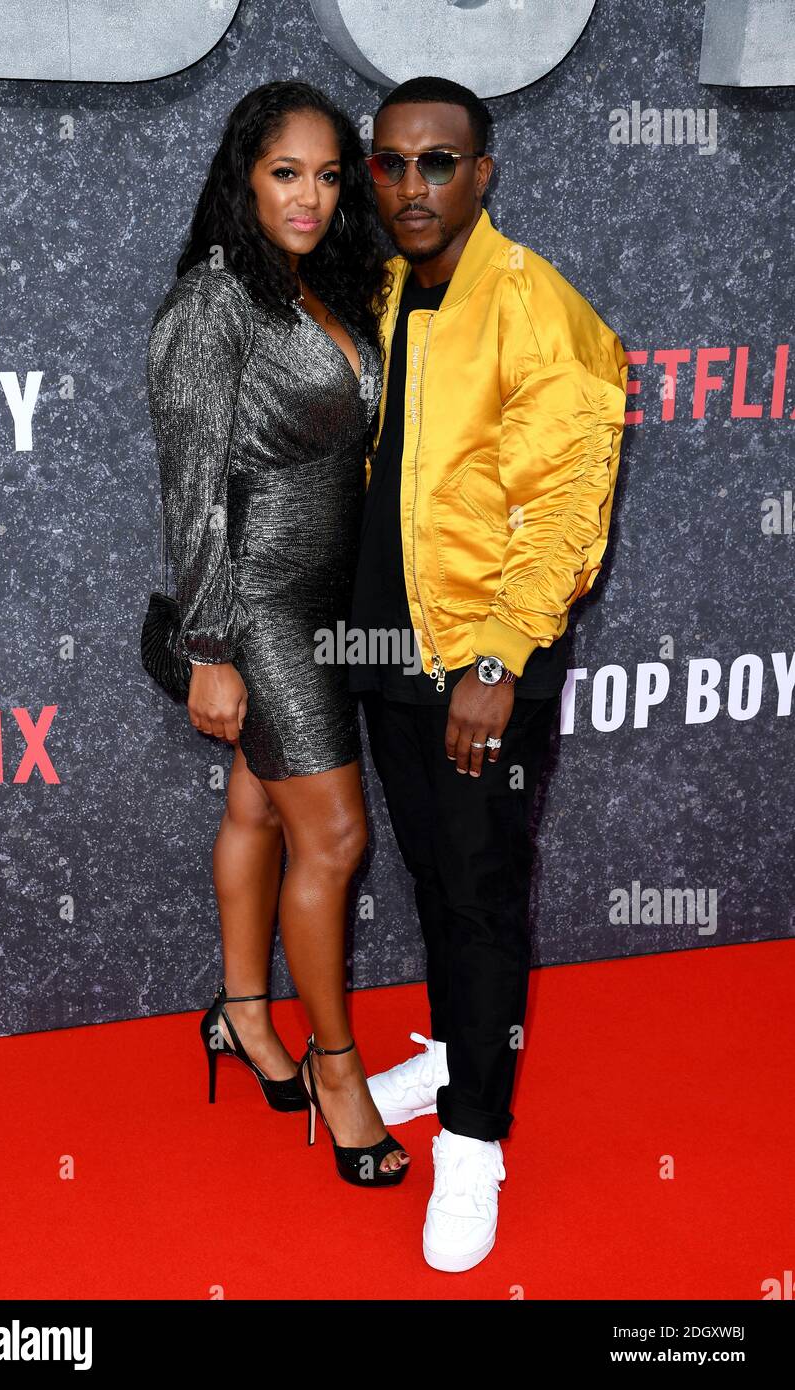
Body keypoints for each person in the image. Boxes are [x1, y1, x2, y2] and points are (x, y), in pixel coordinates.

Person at [348, 76, 629, 1260]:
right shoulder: (382, 291)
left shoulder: (536, 307)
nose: (412, 186)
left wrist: (498, 658)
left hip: (475, 662)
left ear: (482, 173)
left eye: (438, 162)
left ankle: (473, 1140)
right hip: (382, 649)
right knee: (427, 870)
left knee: (478, 896)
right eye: (392, 163)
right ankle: (461, 1053)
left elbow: (566, 509)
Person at [146, 81, 411, 1186]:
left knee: (258, 804)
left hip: (327, 600)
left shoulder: (324, 286)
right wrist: (209, 645)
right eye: (283, 173)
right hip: (257, 609)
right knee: (336, 838)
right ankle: (336, 1065)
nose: (308, 196)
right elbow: (193, 487)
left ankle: (243, 1015)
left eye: (327, 174)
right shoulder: (213, 304)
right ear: (242, 178)